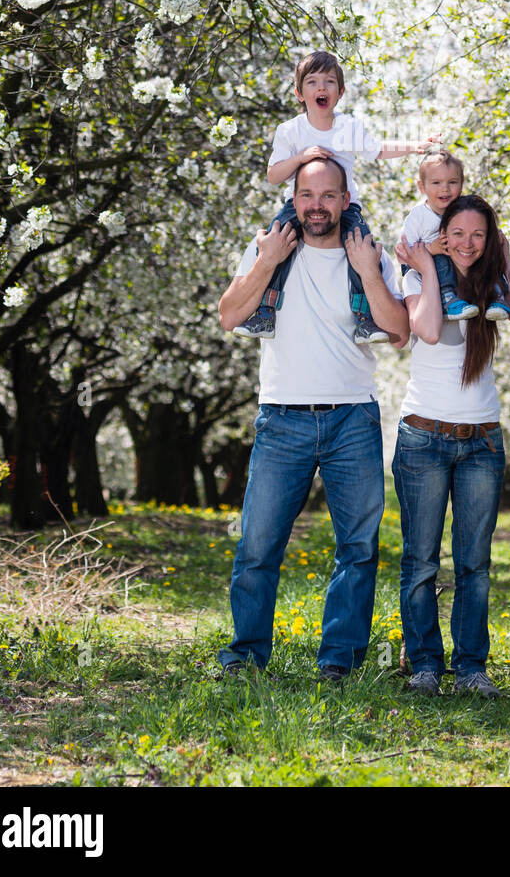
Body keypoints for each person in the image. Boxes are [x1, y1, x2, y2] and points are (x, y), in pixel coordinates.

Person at [217, 155, 409, 682]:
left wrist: (370, 273)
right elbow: (230, 315)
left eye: (328, 196)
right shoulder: (268, 249)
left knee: (358, 548)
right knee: (258, 545)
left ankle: (339, 664)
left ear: (345, 200)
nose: (317, 206)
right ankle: (244, 657)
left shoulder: (366, 253)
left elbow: (399, 330)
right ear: (294, 198)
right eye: (307, 195)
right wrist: (265, 259)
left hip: (353, 418)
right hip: (282, 419)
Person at [393, 195, 510, 698]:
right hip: (423, 438)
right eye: (457, 233)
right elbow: (430, 331)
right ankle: (425, 666)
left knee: (474, 563)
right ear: (443, 234)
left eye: (478, 235)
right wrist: (430, 267)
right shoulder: (417, 279)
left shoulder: (492, 289)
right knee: (421, 560)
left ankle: (471, 667)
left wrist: (507, 259)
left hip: (482, 440)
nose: (466, 243)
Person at [235, 49, 437, 344]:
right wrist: (301, 157)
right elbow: (273, 175)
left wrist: (414, 146)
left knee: (362, 253)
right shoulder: (291, 130)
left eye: (329, 82)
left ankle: (365, 318)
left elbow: (377, 150)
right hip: (300, 206)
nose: (321, 88)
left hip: (346, 207)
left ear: (340, 92)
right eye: (313, 82)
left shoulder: (348, 127)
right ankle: (265, 312)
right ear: (299, 93)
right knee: (276, 246)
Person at [398, 147, 510, 322]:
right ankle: (448, 298)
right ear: (422, 187)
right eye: (436, 183)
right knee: (442, 256)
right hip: (430, 264)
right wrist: (431, 249)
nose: (445, 189)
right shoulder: (418, 216)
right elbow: (403, 253)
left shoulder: (465, 209)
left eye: (452, 182)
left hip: (461, 261)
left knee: (486, 250)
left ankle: (497, 294)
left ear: (462, 183)